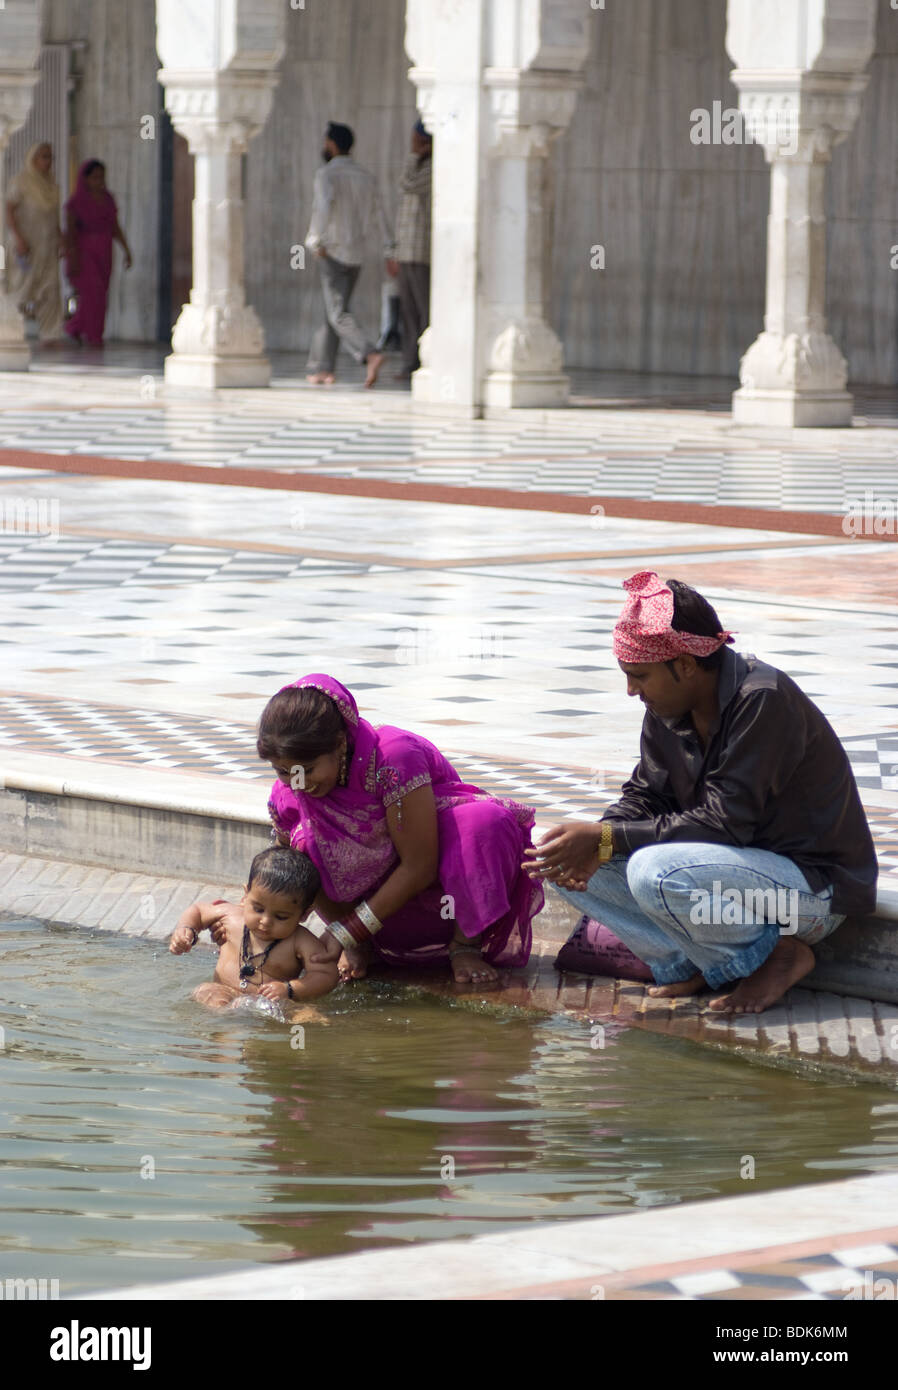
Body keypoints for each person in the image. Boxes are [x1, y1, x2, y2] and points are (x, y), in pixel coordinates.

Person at [525, 572, 878, 1016]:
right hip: (729, 875)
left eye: (640, 676)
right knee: (555, 855)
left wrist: (609, 839)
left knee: (654, 870)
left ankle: (774, 955)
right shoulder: (668, 705)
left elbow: (723, 823)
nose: (632, 691)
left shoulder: (762, 699)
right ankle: (695, 962)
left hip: (811, 889)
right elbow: (645, 796)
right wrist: (599, 834)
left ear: (687, 666)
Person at [258, 674, 544, 987]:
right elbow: (285, 877)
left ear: (340, 744)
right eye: (282, 771)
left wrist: (346, 932)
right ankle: (361, 947)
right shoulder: (288, 794)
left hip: (438, 898)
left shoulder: (392, 758)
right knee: (299, 847)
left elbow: (419, 866)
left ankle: (465, 946)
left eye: (307, 770)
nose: (297, 782)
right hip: (374, 919)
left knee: (483, 824)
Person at [169, 845, 338, 1010]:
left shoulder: (300, 941)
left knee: (303, 1014)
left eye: (281, 917)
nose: (265, 921)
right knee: (206, 991)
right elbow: (199, 910)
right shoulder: (231, 917)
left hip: (272, 1004)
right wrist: (186, 929)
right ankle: (225, 1027)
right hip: (224, 991)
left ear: (304, 914)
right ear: (246, 894)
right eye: (258, 909)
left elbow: (327, 975)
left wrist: (290, 989)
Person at [304, 122, 394, 388]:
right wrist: (390, 248)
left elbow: (321, 209)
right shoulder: (366, 177)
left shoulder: (326, 175)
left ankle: (370, 353)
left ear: (332, 144)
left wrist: (313, 241)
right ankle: (323, 369)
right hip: (356, 254)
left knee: (337, 313)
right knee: (333, 311)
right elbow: (380, 215)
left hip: (331, 251)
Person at [63, 159, 132, 347]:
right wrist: (73, 257)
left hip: (104, 251)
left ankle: (79, 329)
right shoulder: (76, 202)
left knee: (101, 295)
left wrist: (126, 250)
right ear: (85, 179)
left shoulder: (108, 199)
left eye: (101, 177)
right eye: (94, 177)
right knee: (91, 293)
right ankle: (89, 334)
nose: (99, 181)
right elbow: (70, 232)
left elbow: (115, 227)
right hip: (84, 253)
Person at [4, 141, 64, 343]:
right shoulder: (20, 182)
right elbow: (9, 210)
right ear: (33, 159)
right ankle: (8, 332)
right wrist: (19, 238)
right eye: (44, 156)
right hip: (26, 245)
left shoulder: (52, 185)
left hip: (47, 246)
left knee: (51, 289)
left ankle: (51, 335)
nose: (48, 161)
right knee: (21, 289)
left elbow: (53, 217)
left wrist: (61, 239)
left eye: (50, 157)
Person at [388, 118, 432, 380]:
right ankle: (409, 363)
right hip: (407, 250)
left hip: (422, 251)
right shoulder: (419, 165)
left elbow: (408, 183)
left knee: (424, 310)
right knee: (408, 312)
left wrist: (413, 156)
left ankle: (426, 360)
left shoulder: (432, 167)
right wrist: (393, 252)